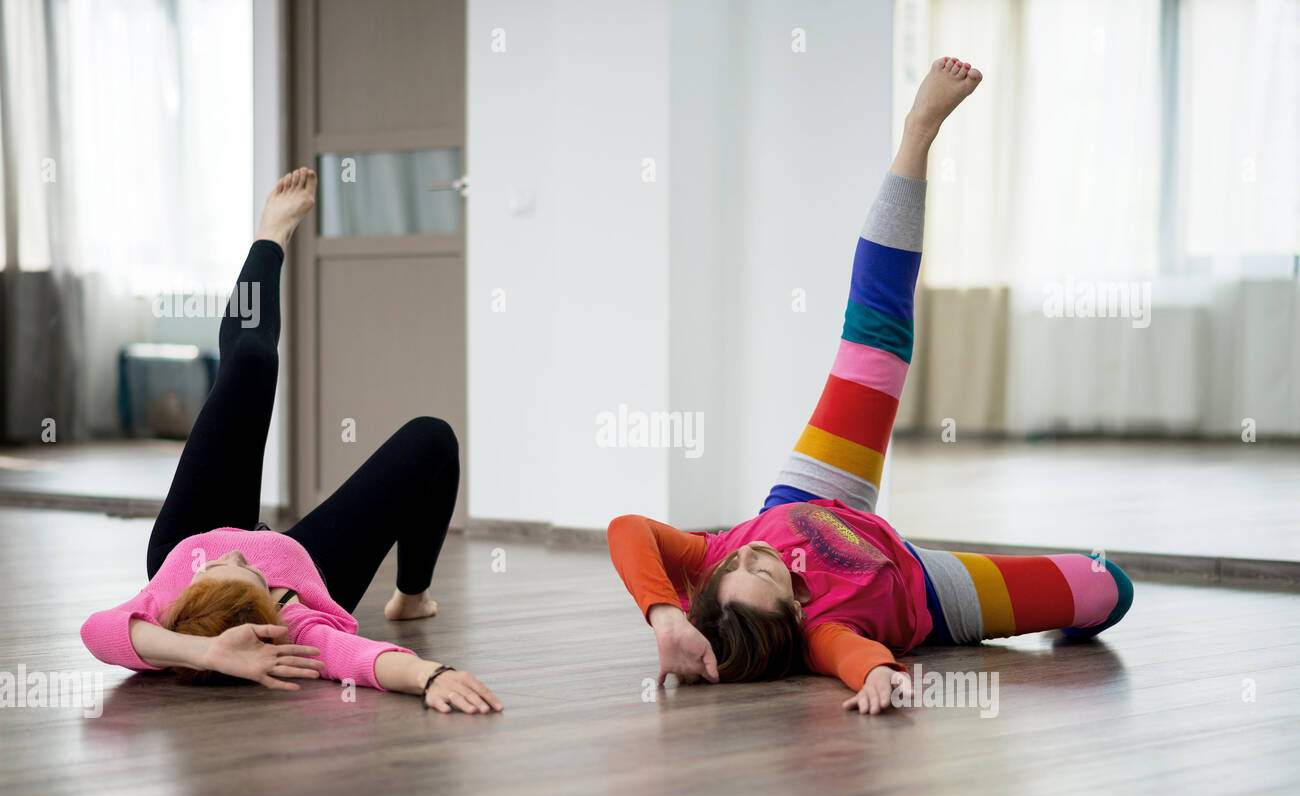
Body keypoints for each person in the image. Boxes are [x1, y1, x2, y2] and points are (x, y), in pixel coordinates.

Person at [607, 58, 1133, 715]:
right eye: (765, 573)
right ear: (798, 603)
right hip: (920, 587)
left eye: (737, 566)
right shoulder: (825, 629)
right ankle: (1064, 616)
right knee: (1105, 584)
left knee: (875, 334)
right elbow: (853, 659)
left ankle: (917, 133)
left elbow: (627, 527)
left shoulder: (729, 552)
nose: (754, 557)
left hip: (813, 493)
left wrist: (663, 614)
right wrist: (880, 674)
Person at [81, 168, 502, 716]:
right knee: (432, 438)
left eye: (213, 567)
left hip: (185, 535)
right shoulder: (297, 629)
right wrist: (431, 675)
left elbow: (98, 631)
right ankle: (413, 595)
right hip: (313, 566)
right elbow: (365, 659)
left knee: (251, 361)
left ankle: (269, 239)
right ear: (270, 609)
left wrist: (204, 649)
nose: (234, 546)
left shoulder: (166, 603)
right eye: (243, 566)